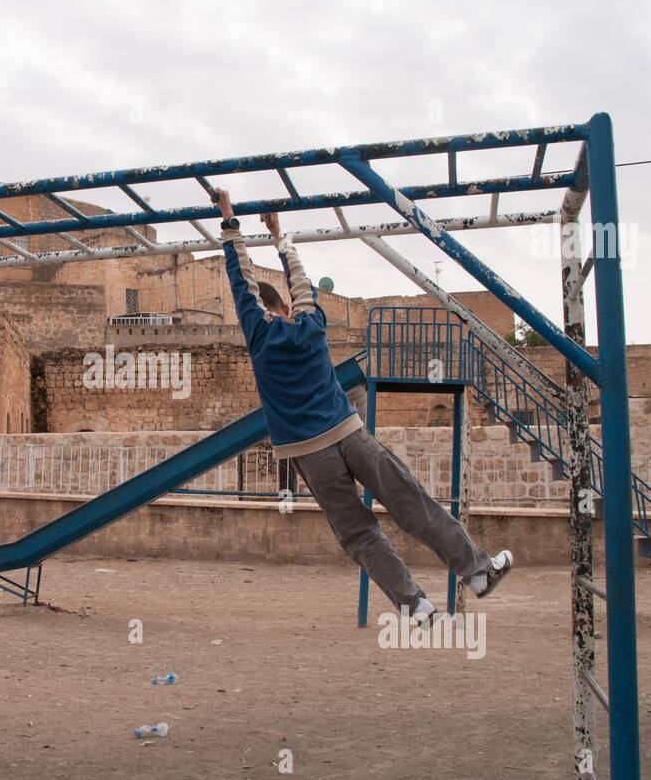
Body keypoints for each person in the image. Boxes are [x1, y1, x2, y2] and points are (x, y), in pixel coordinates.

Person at [213, 187, 512, 623]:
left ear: (263, 312)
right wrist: (280, 237)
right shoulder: (314, 326)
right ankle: (477, 571)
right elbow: (299, 282)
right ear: (290, 307)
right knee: (412, 502)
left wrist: (228, 218)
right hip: (348, 433)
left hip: (307, 453)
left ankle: (415, 605)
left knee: (358, 532)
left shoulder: (259, 339)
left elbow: (239, 279)